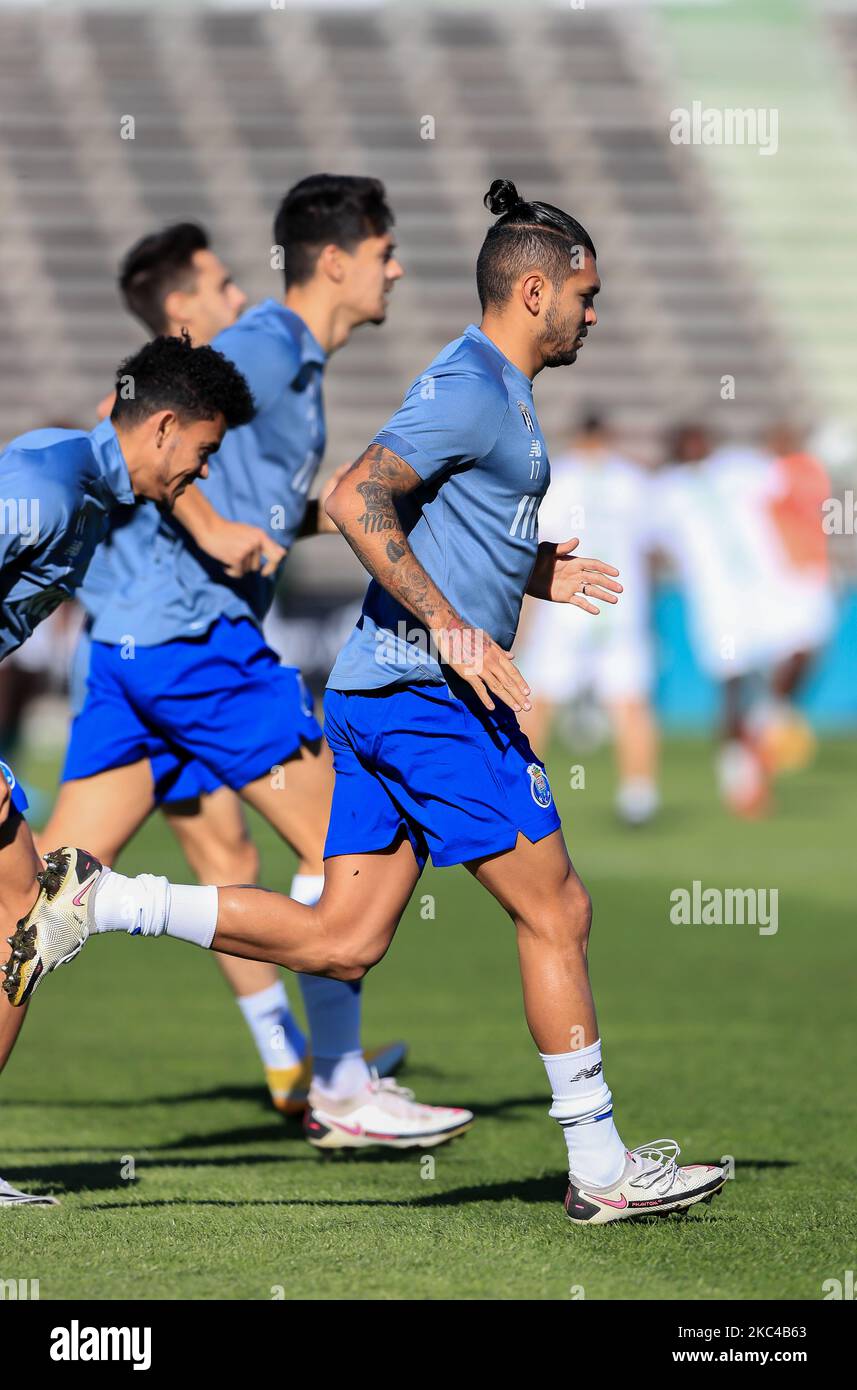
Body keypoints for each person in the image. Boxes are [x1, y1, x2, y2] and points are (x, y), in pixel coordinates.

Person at [18, 179, 727, 1221]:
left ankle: (108, 899)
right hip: (420, 695)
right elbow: (361, 494)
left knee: (344, 935)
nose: (594, 313)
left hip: (377, 690)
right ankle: (598, 1166)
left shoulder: (494, 390)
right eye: (586, 293)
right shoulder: (475, 383)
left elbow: (426, 511)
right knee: (557, 907)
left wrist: (530, 571)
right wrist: (449, 627)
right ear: (534, 292)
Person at [31, 180, 470, 1148]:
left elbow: (258, 499)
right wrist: (210, 521)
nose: (397, 268)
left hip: (133, 649)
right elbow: (137, 408)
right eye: (386, 251)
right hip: (197, 649)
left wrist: (366, 511)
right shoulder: (268, 346)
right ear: (337, 261)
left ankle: (315, 1069)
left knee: (31, 899)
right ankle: (341, 1087)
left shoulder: (296, 364)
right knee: (354, 850)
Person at [0, 333, 255, 1204]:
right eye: (204, 453)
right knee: (19, 910)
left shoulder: (89, 485)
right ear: (165, 428)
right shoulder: (45, 488)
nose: (204, 474)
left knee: (22, 911)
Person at [518, 413, 659, 825]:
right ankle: (639, 797)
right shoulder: (633, 481)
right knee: (630, 704)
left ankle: (522, 790)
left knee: (537, 703)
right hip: (621, 607)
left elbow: (536, 554)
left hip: (567, 610)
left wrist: (523, 628)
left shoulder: (556, 478)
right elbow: (651, 548)